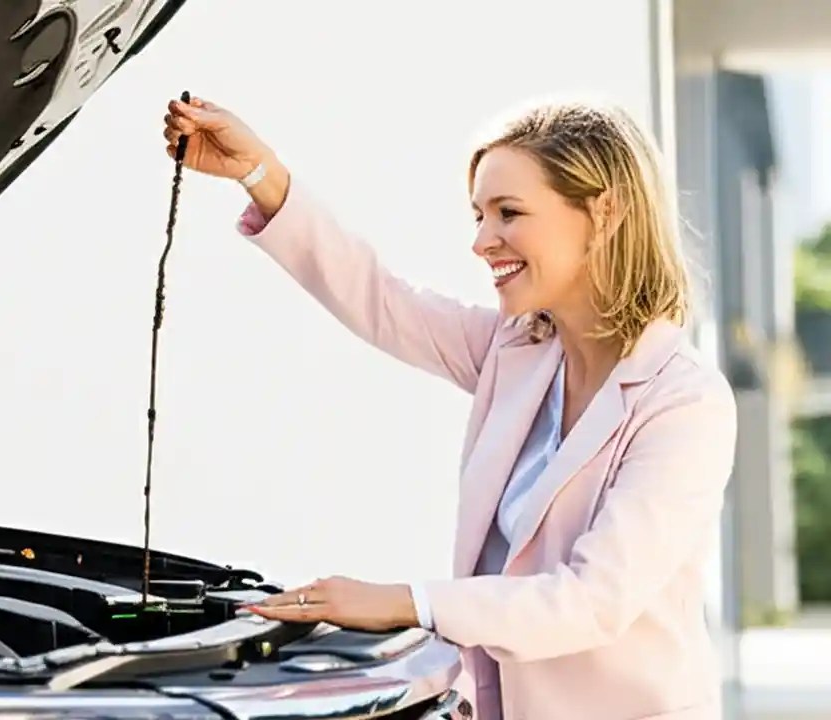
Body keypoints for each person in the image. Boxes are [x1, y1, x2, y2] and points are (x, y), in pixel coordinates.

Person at [161, 96, 737, 720]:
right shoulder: (518, 350)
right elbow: (380, 300)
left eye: (508, 213)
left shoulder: (683, 404)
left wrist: (404, 602)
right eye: (479, 215)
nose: (482, 241)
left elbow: (593, 601)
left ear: (606, 213)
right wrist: (257, 170)